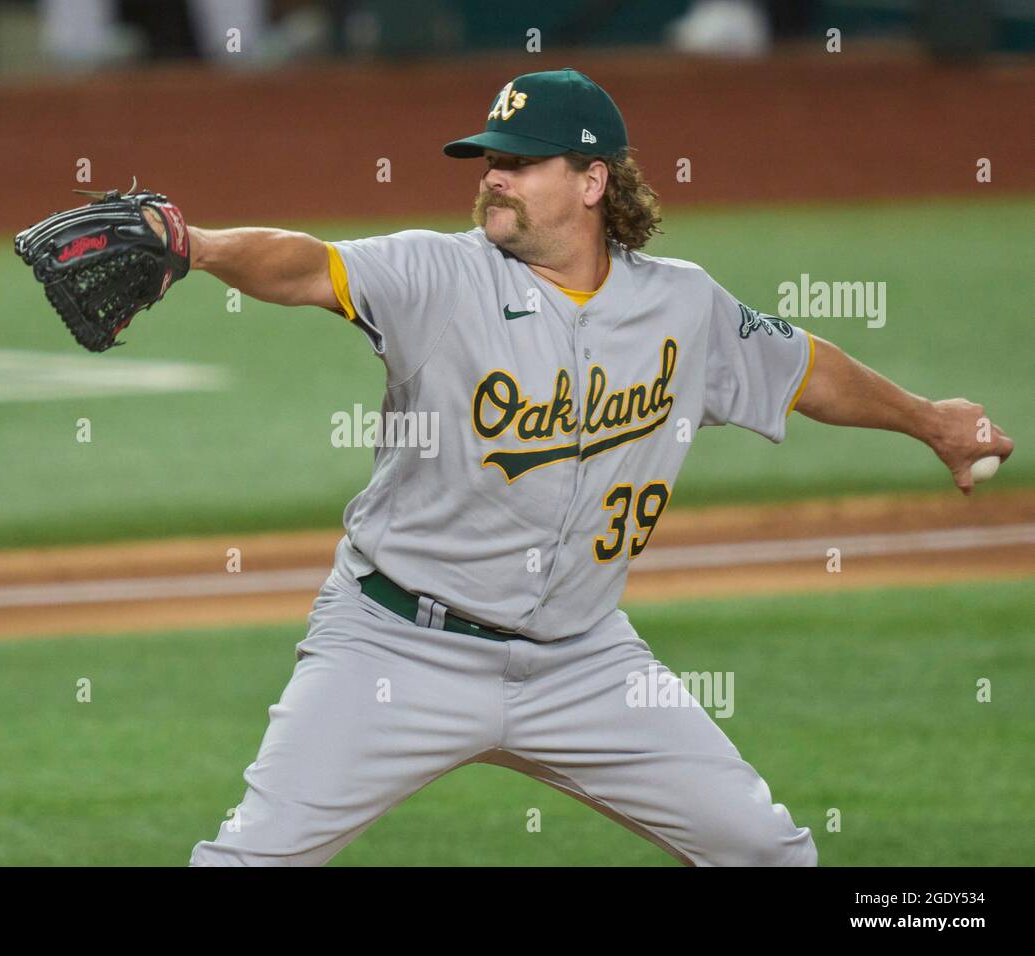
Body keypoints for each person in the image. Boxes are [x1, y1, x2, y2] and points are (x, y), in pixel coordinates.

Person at [184, 67, 1014, 866]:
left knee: (764, 851)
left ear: (591, 180)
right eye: (490, 161)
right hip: (395, 650)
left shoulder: (682, 304)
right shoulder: (438, 276)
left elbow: (803, 371)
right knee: (249, 859)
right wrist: (195, 245)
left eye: (518, 161)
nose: (493, 179)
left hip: (582, 662)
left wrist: (929, 421)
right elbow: (302, 265)